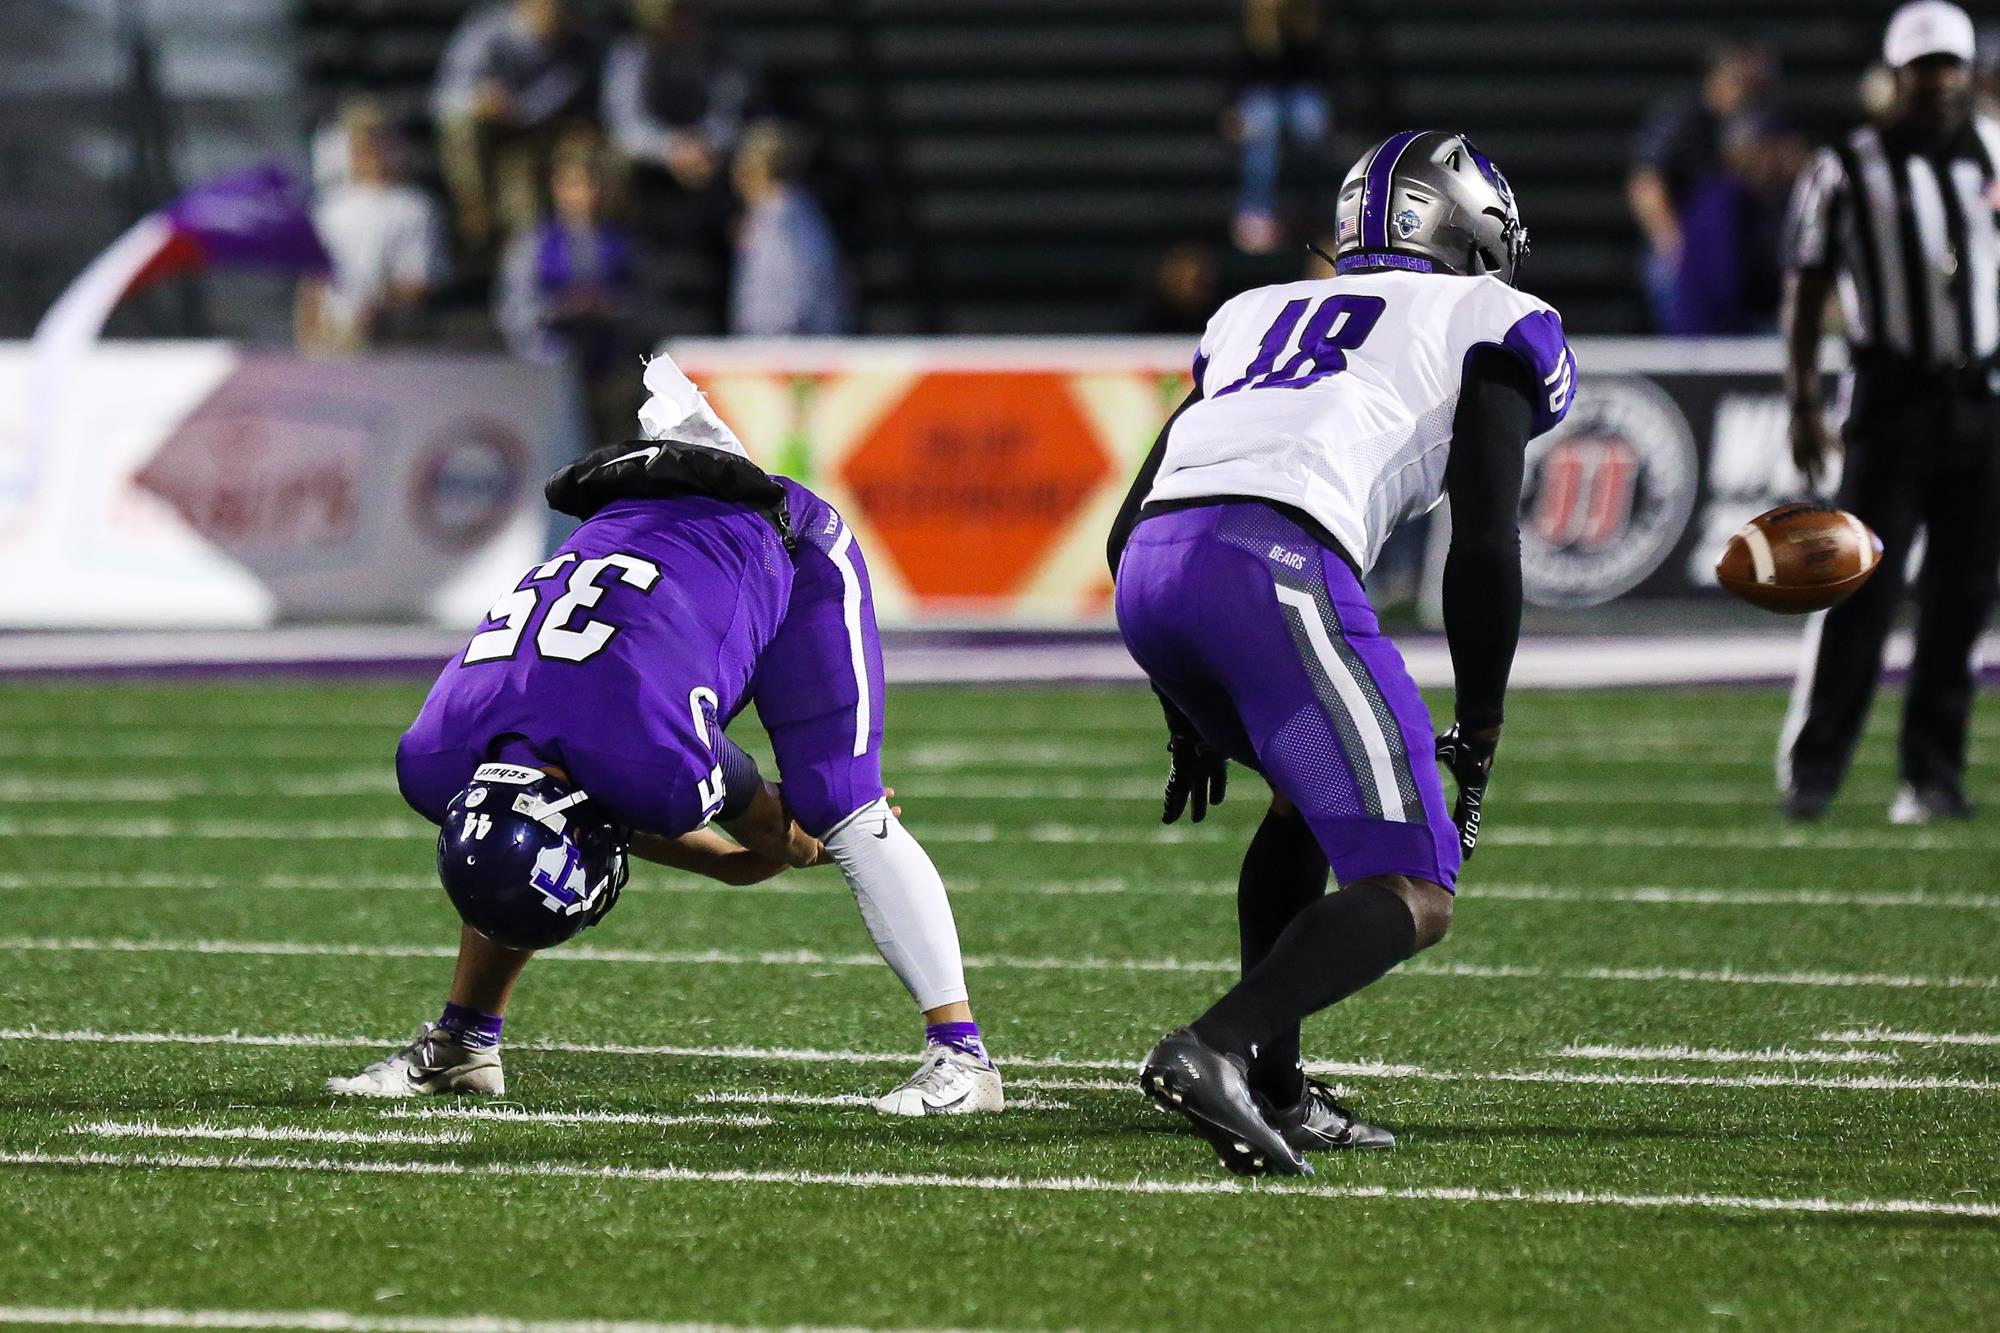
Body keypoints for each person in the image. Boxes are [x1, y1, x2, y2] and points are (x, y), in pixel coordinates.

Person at [328, 354, 1004, 1117]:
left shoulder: (620, 753)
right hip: (639, 562)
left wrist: (786, 844)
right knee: (508, 855)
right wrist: (727, 862)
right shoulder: (438, 760)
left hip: (785, 545)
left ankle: (965, 1057)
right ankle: (463, 1046)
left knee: (840, 803)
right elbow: (572, 801)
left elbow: (732, 813)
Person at [1108, 130, 1573, 1176]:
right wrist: (1483, 723)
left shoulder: (1252, 310)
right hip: (1270, 557)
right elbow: (1486, 534)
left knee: (1294, 797)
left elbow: (1128, 517)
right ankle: (1212, 1049)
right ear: (1463, 227)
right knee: (1414, 888)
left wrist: (1181, 708)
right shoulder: (1492, 315)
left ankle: (1274, 1084)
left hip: (1150, 571)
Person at [1778, 0, 2000, 825]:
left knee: (1963, 594)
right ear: (1897, 73)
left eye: (1953, 64)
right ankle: (1817, 769)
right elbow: (1805, 283)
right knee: (1862, 588)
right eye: (1927, 66)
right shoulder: (1849, 164)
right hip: (1893, 398)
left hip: (1980, 397)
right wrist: (1802, 397)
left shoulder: (1994, 150)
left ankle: (1932, 775)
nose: (1942, 81)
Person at [495, 135, 639, 447]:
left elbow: (642, 304)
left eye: (594, 185)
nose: (588, 195)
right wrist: (559, 309)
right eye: (577, 184)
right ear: (558, 188)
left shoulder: (621, 243)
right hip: (551, 371)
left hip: (607, 371)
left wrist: (608, 307)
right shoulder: (533, 243)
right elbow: (514, 312)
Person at [1628, 42, 1776, 330]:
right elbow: (1646, 185)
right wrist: (1673, 244)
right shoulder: (1683, 120)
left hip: (1729, 249)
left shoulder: (1750, 125)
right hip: (1685, 248)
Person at [433, 0, 602, 251]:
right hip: (486, 133)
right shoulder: (487, 30)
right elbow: (444, 96)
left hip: (536, 137)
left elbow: (552, 99)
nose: (553, 11)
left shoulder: (576, 46)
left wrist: (514, 109)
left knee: (524, 211)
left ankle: (518, 256)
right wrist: (478, 101)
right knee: (459, 126)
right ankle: (474, 212)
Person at [295, 98, 447, 354]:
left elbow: (417, 282)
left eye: (380, 143)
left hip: (389, 337)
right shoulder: (327, 208)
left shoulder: (415, 208)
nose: (372, 153)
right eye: (362, 145)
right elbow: (313, 283)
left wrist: (370, 311)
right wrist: (309, 335)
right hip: (332, 337)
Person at [601, 0, 761, 195]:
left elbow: (728, 115)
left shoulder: (725, 54)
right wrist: (670, 147)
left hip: (709, 156)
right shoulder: (631, 53)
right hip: (648, 161)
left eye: (689, 11)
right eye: (675, 14)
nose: (684, 21)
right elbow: (625, 124)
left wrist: (703, 144)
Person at [1669, 116, 1808, 336]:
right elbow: (1724, 285)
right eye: (1771, 151)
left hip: (1736, 329)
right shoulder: (1723, 203)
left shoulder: (1751, 201)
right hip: (1719, 338)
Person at [1229, 0, 1335, 254]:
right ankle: (1256, 211)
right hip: (1262, 96)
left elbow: (1319, 71)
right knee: (1263, 123)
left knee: (1309, 120)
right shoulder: (1254, 23)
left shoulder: (1311, 20)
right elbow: (1241, 72)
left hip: (1301, 94)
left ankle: (1310, 205)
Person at [729, 122, 852, 337]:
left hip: (787, 340)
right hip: (772, 337)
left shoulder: (784, 215)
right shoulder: (766, 212)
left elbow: (799, 286)